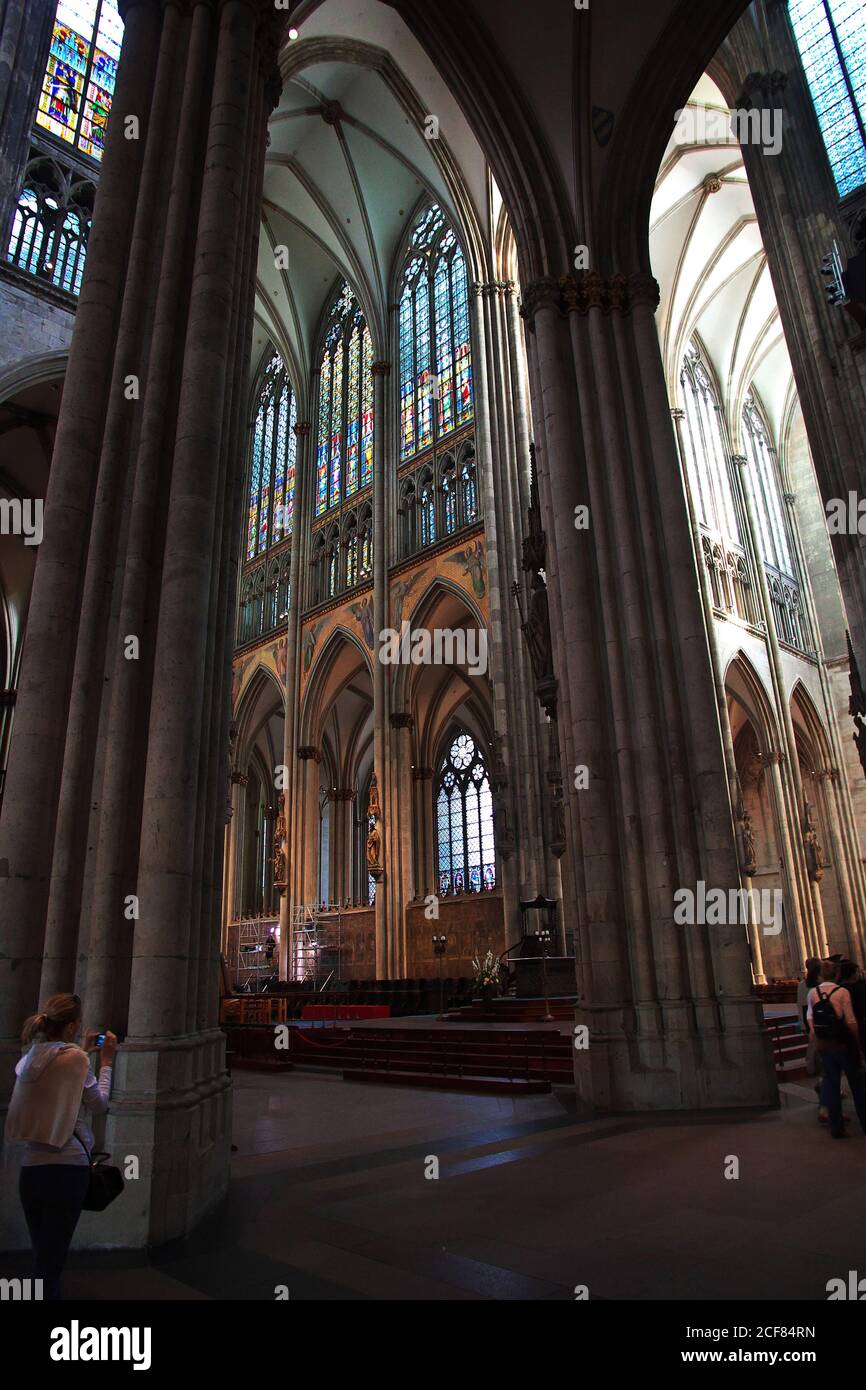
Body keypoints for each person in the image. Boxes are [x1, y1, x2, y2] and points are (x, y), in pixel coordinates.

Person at [4, 993, 117, 1300]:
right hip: (67, 1170)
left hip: (30, 1170)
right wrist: (105, 1063)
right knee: (50, 1263)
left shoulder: (28, 1060)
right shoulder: (76, 1060)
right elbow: (100, 1104)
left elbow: (57, 1074)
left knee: (42, 1252)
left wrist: (82, 1050)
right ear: (70, 1028)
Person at [807, 961, 866, 1140]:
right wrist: (858, 1045)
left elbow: (811, 1021)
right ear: (837, 974)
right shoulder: (842, 992)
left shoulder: (813, 993)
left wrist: (817, 1042)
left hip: (825, 1045)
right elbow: (850, 1021)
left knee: (831, 1086)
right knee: (858, 1086)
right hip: (844, 1043)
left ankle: (836, 1127)